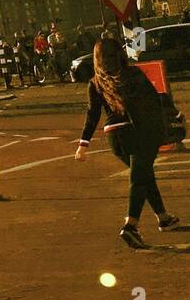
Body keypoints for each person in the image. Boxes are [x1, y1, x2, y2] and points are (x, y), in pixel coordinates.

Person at [75, 37, 179, 249]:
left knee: (143, 175)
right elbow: (153, 100)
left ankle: (164, 217)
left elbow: (92, 114)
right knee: (139, 179)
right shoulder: (133, 74)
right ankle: (131, 225)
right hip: (140, 132)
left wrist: (83, 143)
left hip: (115, 137)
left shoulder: (95, 82)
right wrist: (174, 115)